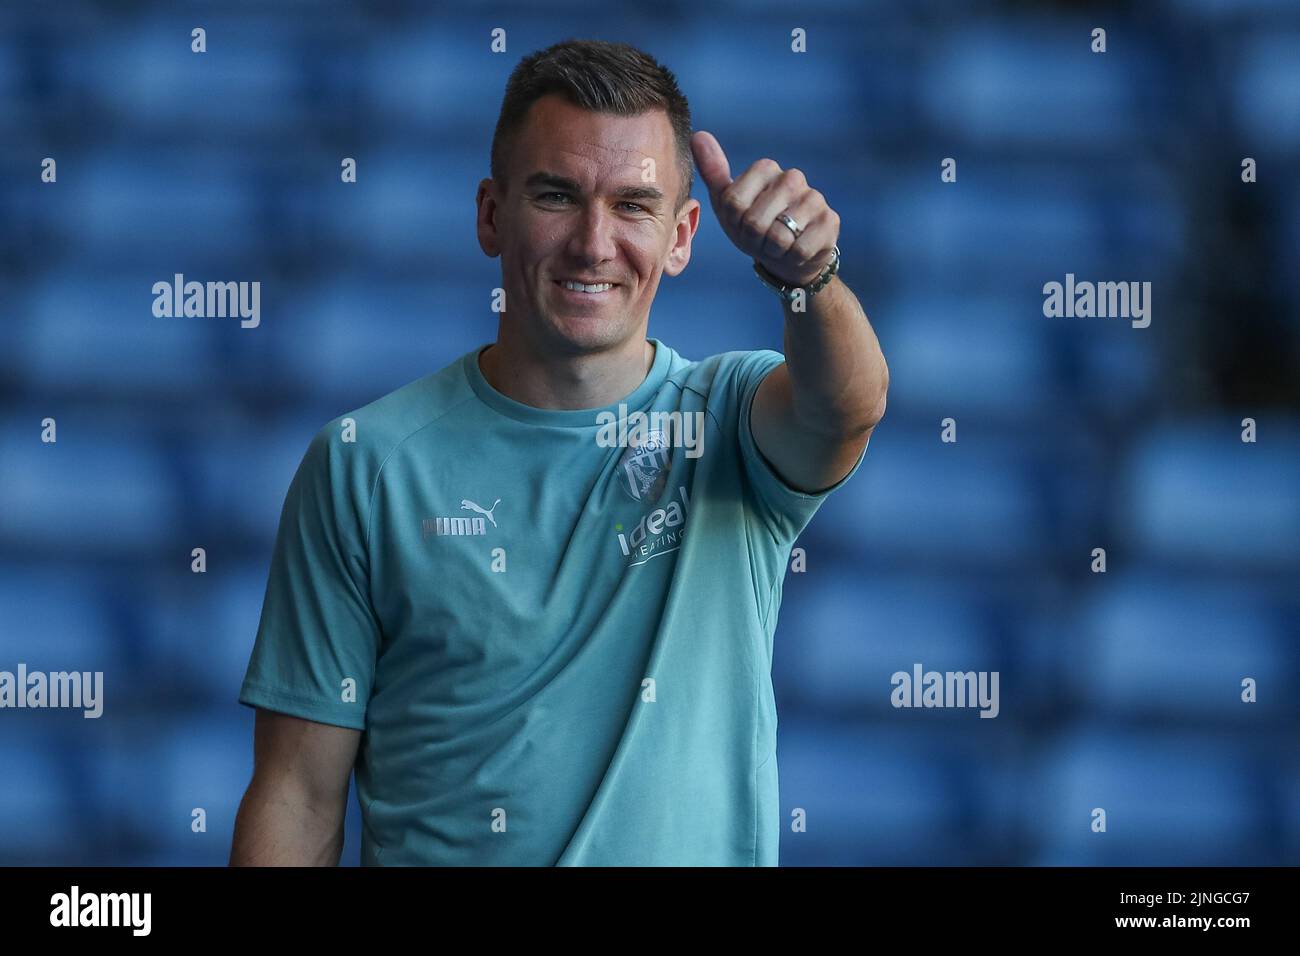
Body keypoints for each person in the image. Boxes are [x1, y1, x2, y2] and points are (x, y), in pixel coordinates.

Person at [230, 37, 888, 866]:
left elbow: (847, 408)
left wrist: (810, 277)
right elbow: (297, 792)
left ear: (683, 236)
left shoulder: (729, 423)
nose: (592, 242)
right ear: (490, 214)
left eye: (634, 206)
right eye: (556, 196)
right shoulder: (364, 464)